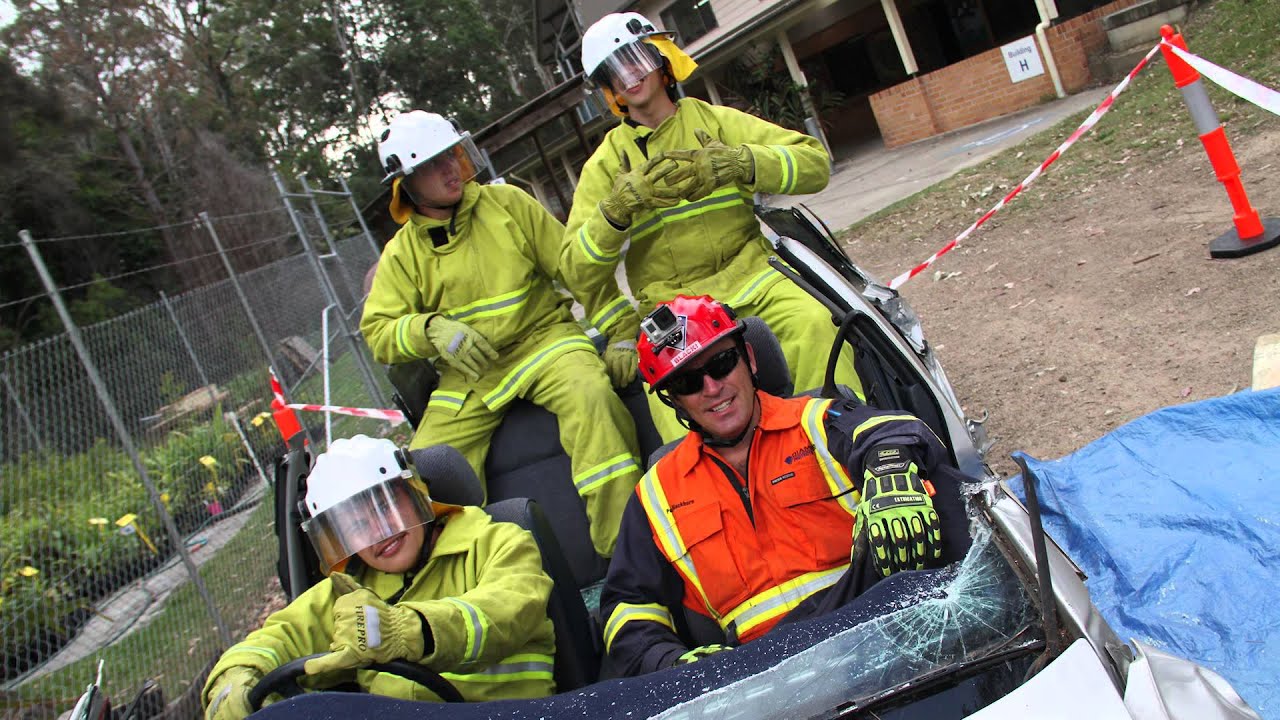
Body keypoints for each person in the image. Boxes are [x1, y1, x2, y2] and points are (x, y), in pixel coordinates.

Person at [599, 296, 971, 677]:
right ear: (675, 401)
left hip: (879, 633)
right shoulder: (657, 494)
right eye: (688, 382)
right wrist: (675, 665)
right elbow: (626, 607)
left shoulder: (816, 421)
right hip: (765, 680)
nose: (711, 387)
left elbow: (889, 432)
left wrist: (889, 472)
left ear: (749, 359)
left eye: (721, 363)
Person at [561, 12, 863, 443]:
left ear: (661, 59)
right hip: (672, 308)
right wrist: (613, 214)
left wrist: (744, 162)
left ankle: (842, 446)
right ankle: (709, 482)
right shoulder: (606, 165)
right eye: (614, 70)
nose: (629, 75)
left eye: (636, 59)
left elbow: (814, 163)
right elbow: (576, 269)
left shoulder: (717, 122)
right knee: (667, 393)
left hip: (754, 277)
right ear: (608, 88)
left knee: (815, 324)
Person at [361, 110, 642, 558]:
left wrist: (622, 330)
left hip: (546, 344)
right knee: (424, 471)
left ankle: (629, 554)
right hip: (470, 379)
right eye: (433, 164)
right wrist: (429, 329)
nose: (450, 168)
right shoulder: (401, 255)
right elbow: (378, 332)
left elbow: (575, 271)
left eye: (451, 155)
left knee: (593, 398)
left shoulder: (507, 204)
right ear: (407, 184)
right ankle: (468, 580)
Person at [201, 435, 555, 719]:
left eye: (385, 506)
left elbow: (510, 610)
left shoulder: (498, 541)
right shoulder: (347, 591)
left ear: (416, 493)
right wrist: (235, 677)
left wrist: (409, 631)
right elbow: (280, 635)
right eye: (355, 525)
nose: (379, 532)